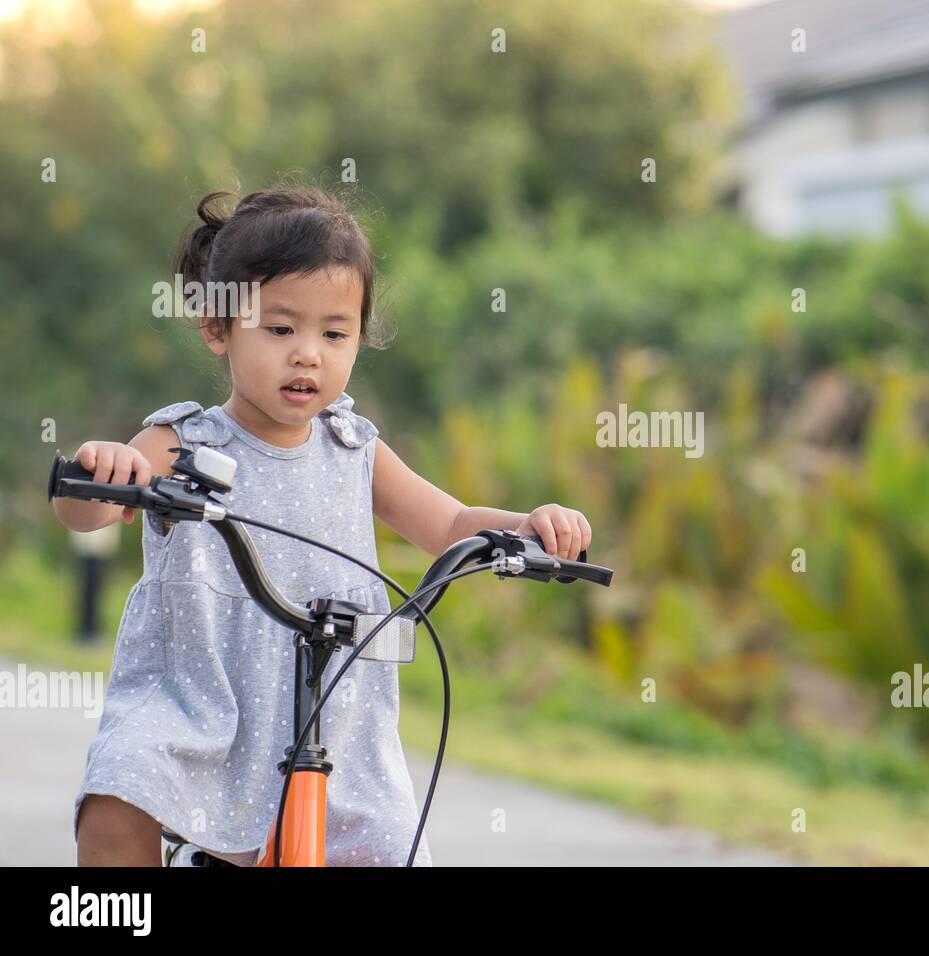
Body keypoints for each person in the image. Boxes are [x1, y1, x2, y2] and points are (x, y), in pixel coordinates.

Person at [53, 184, 593, 866]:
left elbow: (450, 521)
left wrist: (526, 525)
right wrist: (106, 472)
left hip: (337, 728)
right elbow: (87, 507)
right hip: (196, 709)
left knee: (395, 848)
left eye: (334, 333)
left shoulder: (354, 448)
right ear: (219, 328)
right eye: (280, 329)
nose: (308, 354)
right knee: (119, 794)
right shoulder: (181, 440)